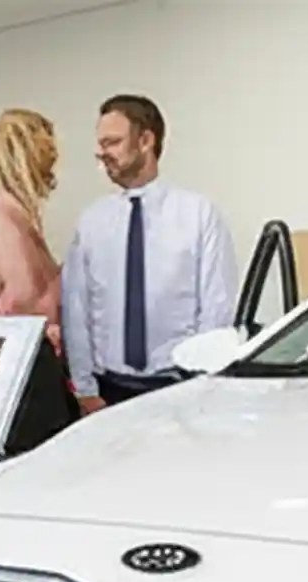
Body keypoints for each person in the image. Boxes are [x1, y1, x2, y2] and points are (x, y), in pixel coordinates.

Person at [62, 94, 239, 413]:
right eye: (100, 145)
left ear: (145, 140)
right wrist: (85, 389)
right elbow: (77, 313)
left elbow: (216, 308)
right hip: (108, 393)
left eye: (113, 142)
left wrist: (202, 383)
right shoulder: (91, 223)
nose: (103, 154)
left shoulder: (198, 214)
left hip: (178, 390)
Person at [0, 108, 64, 353]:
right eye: (48, 151)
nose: (54, 160)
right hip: (22, 353)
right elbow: (25, 295)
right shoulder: (1, 213)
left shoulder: (6, 211)